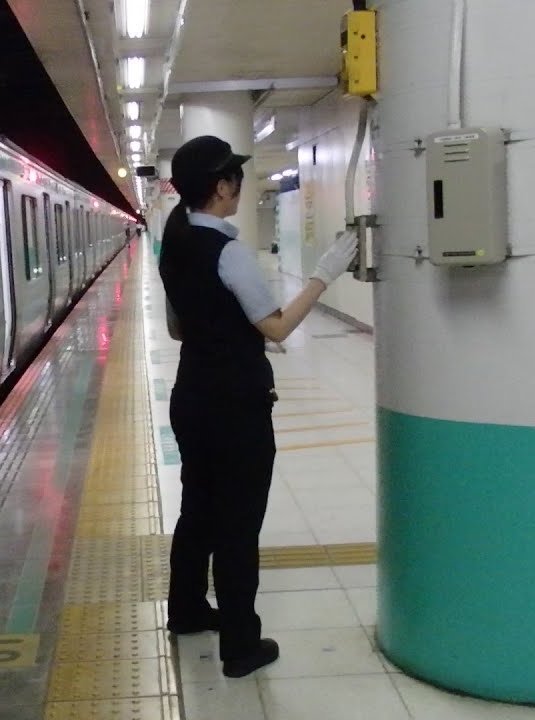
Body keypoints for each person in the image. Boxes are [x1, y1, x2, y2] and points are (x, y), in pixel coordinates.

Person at [158, 135, 357, 678]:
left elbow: (178, 328)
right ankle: (241, 646)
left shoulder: (175, 243)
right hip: (235, 407)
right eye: (236, 179)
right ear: (223, 187)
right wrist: (324, 275)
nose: (239, 188)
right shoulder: (228, 252)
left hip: (191, 397)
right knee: (238, 525)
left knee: (199, 510)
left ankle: (187, 610)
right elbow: (277, 327)